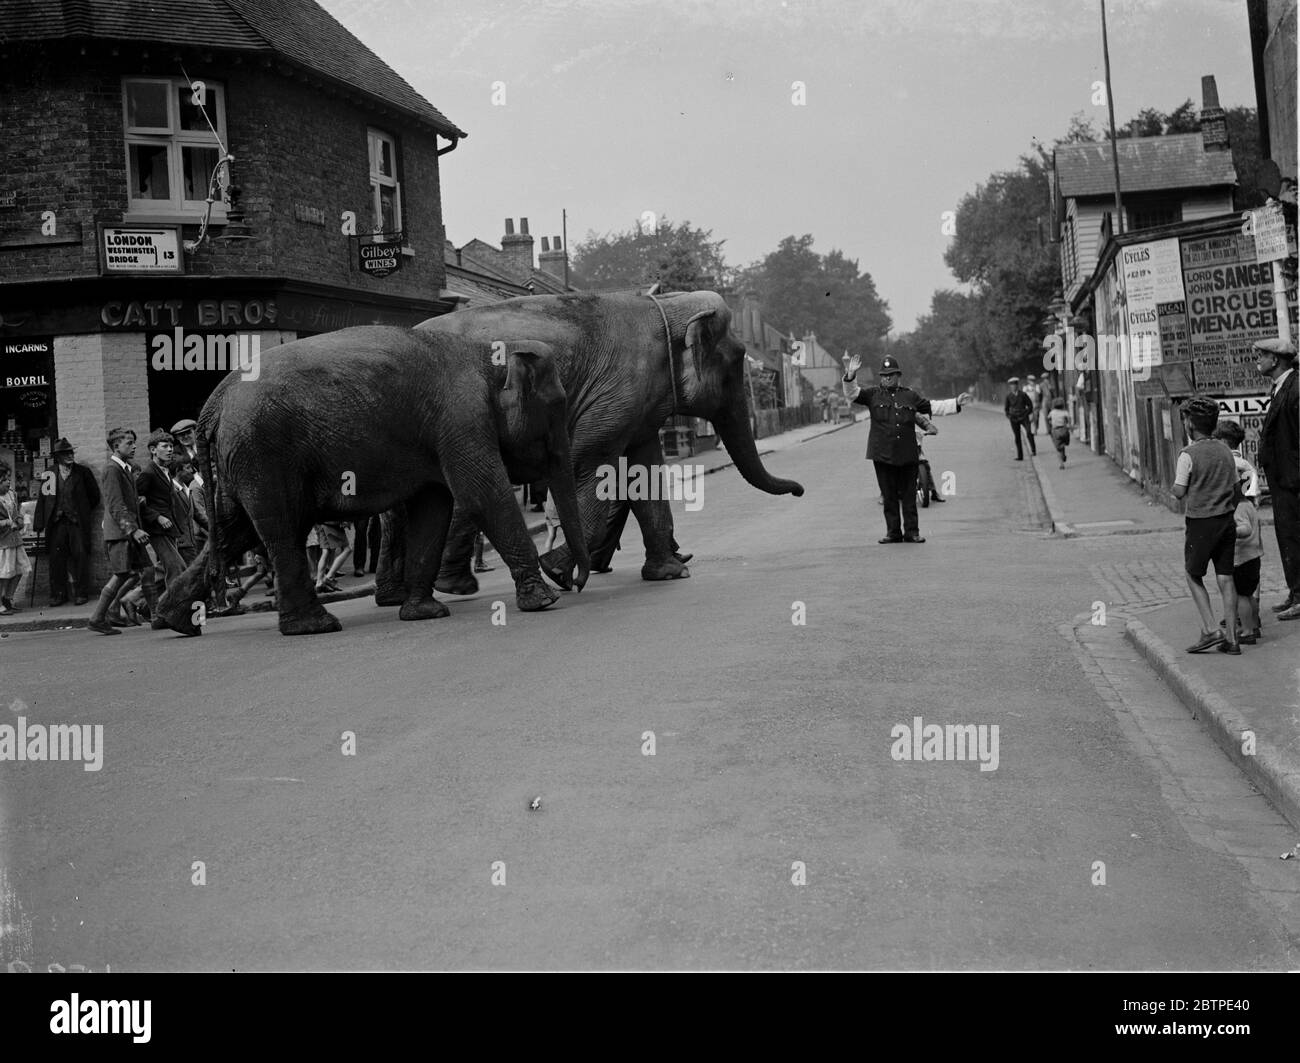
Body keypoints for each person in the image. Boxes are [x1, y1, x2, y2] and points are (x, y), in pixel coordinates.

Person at [841, 352, 968, 543]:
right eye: (884, 375)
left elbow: (932, 406)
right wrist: (850, 375)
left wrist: (955, 403)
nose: (887, 378)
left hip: (907, 453)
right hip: (882, 454)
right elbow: (852, 393)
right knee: (889, 495)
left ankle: (912, 532)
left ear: (898, 376)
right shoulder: (872, 394)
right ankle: (893, 532)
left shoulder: (910, 396)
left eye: (891, 374)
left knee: (909, 496)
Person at [1172, 395, 1241, 654]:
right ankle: (1232, 639)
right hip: (1226, 520)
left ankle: (1211, 628)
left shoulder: (1187, 455)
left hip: (1201, 522)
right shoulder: (1225, 450)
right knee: (1226, 577)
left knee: (1193, 574)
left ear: (1190, 424)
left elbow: (1179, 491)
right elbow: (1235, 487)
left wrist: (1178, 486)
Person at [87, 428, 152, 635]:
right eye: (129, 443)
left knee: (144, 570)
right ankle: (97, 618)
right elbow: (115, 504)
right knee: (121, 573)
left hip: (127, 531)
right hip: (121, 533)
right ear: (116, 446)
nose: (134, 447)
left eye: (134, 442)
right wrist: (133, 530)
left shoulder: (126, 468)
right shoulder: (112, 469)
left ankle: (116, 613)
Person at [1253, 337, 1300, 621]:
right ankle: (1296, 593)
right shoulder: (1282, 387)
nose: (1258, 359)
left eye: (1262, 355)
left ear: (1277, 359)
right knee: (1288, 536)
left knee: (1295, 537)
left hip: (1293, 480)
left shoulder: (1295, 388)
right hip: (1284, 479)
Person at [33, 437, 101, 606]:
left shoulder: (83, 472)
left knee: (80, 555)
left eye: (71, 452)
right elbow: (43, 499)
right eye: (65, 453)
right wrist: (39, 522)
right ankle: (58, 594)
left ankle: (81, 593)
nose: (70, 455)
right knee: (56, 558)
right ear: (58, 456)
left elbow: (94, 496)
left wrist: (82, 512)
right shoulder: (49, 473)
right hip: (56, 523)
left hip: (77, 522)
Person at [135, 428, 185, 629]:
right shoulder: (148, 473)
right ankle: (172, 613)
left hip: (169, 527)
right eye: (165, 446)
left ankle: (148, 610)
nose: (170, 450)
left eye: (171, 446)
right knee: (177, 567)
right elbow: (136, 500)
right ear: (153, 450)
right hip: (157, 529)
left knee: (166, 570)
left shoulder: (166, 470)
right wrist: (157, 517)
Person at [1230, 464, 1264, 645]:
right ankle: (1254, 626)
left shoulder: (1239, 509)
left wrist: (1233, 532)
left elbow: (1245, 528)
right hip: (1254, 556)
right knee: (1250, 595)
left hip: (1242, 559)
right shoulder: (1250, 505)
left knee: (1242, 596)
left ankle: (1247, 630)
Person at [0, 462, 31, 615]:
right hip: (2, 542)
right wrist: (6, 522)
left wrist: (19, 520)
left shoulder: (12, 494)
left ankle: (8, 598)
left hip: (15, 539)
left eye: (8, 478)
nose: (8, 482)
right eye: (4, 479)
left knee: (20, 569)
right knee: (3, 573)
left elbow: (16, 512)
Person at [1211, 420, 1260, 501]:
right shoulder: (1248, 466)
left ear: (1223, 442)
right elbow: (1255, 494)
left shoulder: (1218, 465)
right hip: (1245, 508)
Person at [1004, 377, 1036, 460]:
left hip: (1023, 417)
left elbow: (1030, 406)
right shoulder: (1009, 396)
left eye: (1015, 385)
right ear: (1010, 387)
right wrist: (1009, 416)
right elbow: (1006, 409)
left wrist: (1026, 413)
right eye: (1012, 385)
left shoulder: (1023, 394)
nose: (1013, 387)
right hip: (1014, 418)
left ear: (1017, 386)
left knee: (1029, 432)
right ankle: (1020, 456)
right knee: (1017, 437)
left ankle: (1033, 450)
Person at [1047, 397, 1072, 469]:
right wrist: (1068, 425)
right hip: (1064, 430)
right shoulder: (1065, 412)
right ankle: (1063, 454)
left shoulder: (1052, 412)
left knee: (1058, 449)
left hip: (1056, 431)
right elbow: (1069, 419)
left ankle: (1061, 464)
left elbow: (1048, 418)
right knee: (1063, 443)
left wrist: (1051, 423)